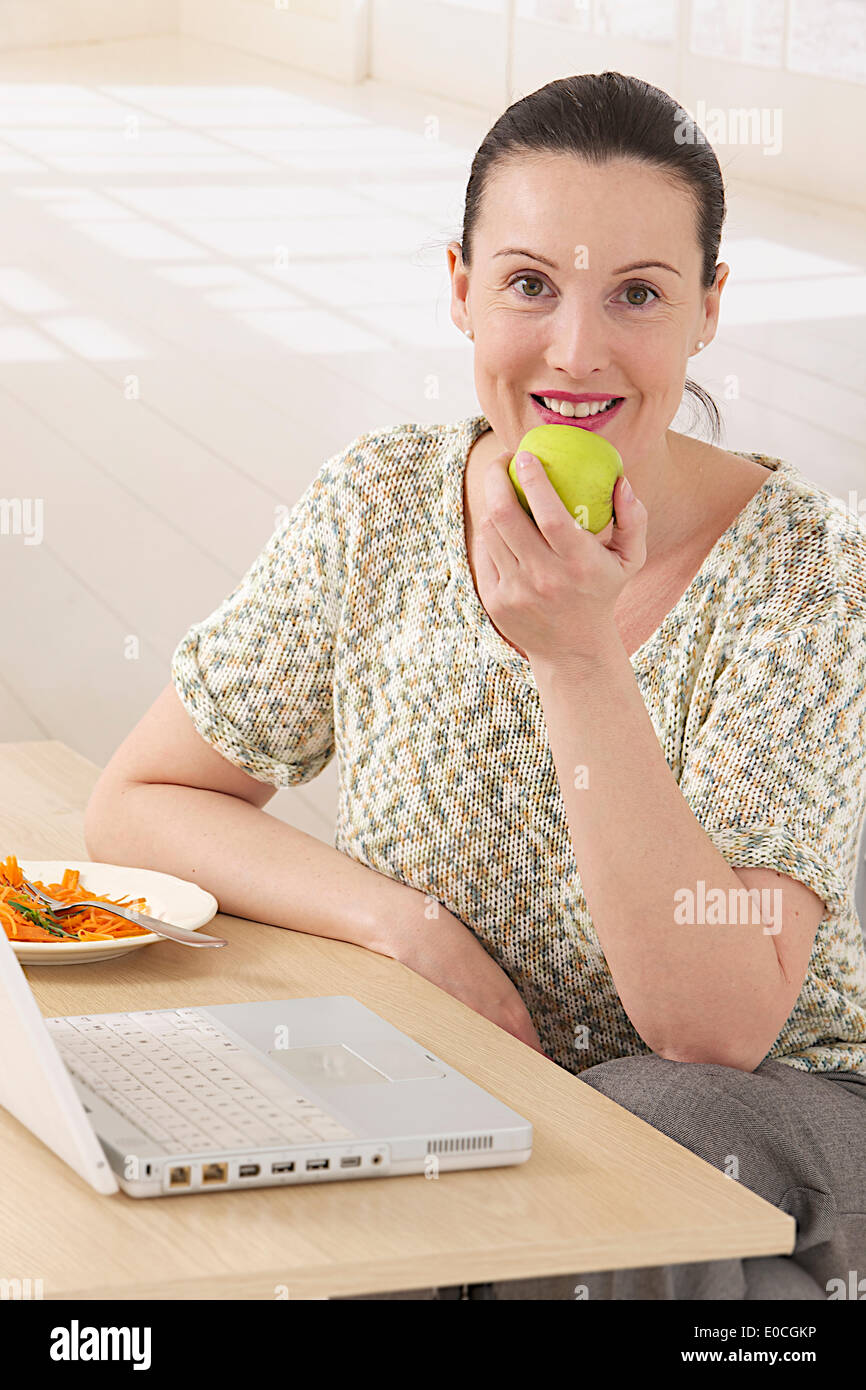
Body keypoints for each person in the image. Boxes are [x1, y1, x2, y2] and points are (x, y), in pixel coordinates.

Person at [85, 72, 866, 1300]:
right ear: (458, 289)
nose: (574, 350)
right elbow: (143, 800)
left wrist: (578, 654)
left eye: (638, 296)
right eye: (527, 285)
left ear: (708, 309)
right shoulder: (382, 502)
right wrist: (406, 930)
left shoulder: (807, 571)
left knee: (609, 1159)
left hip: (753, 1108)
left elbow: (710, 1027)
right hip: (459, 1084)